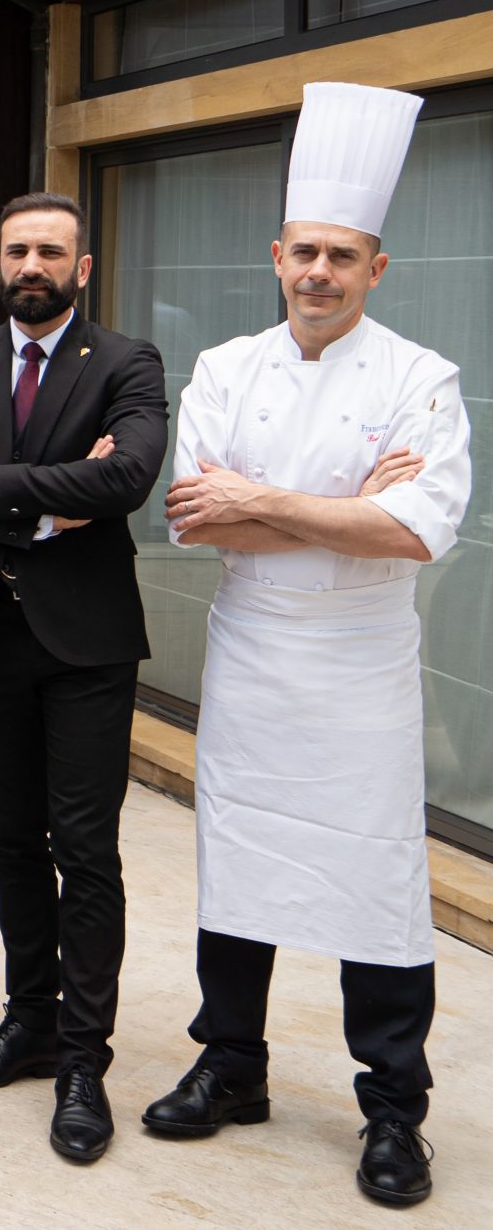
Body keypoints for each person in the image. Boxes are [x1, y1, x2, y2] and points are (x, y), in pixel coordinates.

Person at [139, 83, 470, 1211]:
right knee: (238, 869)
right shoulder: (227, 367)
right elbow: (193, 519)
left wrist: (265, 497)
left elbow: (415, 532)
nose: (319, 271)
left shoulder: (422, 379)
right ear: (274, 255)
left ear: (376, 269)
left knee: (378, 885)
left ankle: (392, 1112)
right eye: (304, 252)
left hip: (363, 664)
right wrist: (335, 503)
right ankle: (231, 1067)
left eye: (343, 255)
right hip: (253, 653)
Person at [0, 192, 168, 1163]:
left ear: (81, 266)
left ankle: (83, 1063)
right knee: (13, 842)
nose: (30, 263)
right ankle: (30, 1024)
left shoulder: (126, 362)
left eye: (50, 250)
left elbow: (128, 476)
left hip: (87, 643)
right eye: (16, 247)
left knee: (84, 849)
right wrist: (50, 509)